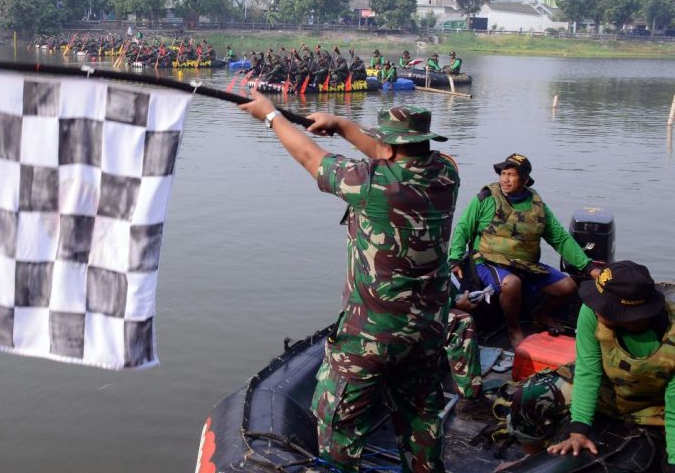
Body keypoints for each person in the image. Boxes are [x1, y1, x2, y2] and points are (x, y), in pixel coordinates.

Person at [238, 90, 459, 473]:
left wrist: (271, 115)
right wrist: (341, 125)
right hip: (427, 330)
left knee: (339, 419)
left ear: (388, 148)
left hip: (371, 335)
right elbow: (386, 153)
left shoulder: (370, 184)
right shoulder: (447, 174)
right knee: (421, 414)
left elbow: (309, 157)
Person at [504, 261, 674, 471]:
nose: (594, 305)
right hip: (606, 386)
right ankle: (534, 458)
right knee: (528, 398)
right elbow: (587, 370)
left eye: (604, 304)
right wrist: (578, 431)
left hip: (653, 403)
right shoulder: (592, 312)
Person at [449, 153, 600, 346]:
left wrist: (588, 268)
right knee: (511, 283)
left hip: (526, 265)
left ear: (525, 179)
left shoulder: (537, 206)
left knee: (568, 286)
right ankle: (513, 328)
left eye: (511, 174)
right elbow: (463, 227)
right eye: (503, 174)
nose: (505, 179)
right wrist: (454, 259)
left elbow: (560, 238)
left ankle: (540, 313)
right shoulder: (486, 198)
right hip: (488, 262)